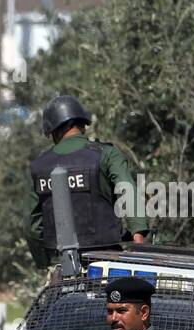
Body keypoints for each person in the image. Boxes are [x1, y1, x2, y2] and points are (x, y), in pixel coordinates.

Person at [27, 95, 147, 267]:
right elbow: (129, 194)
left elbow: (32, 228)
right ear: (82, 124)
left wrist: (45, 263)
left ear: (53, 130)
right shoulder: (106, 154)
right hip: (107, 260)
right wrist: (138, 241)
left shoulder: (38, 166)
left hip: (62, 264)